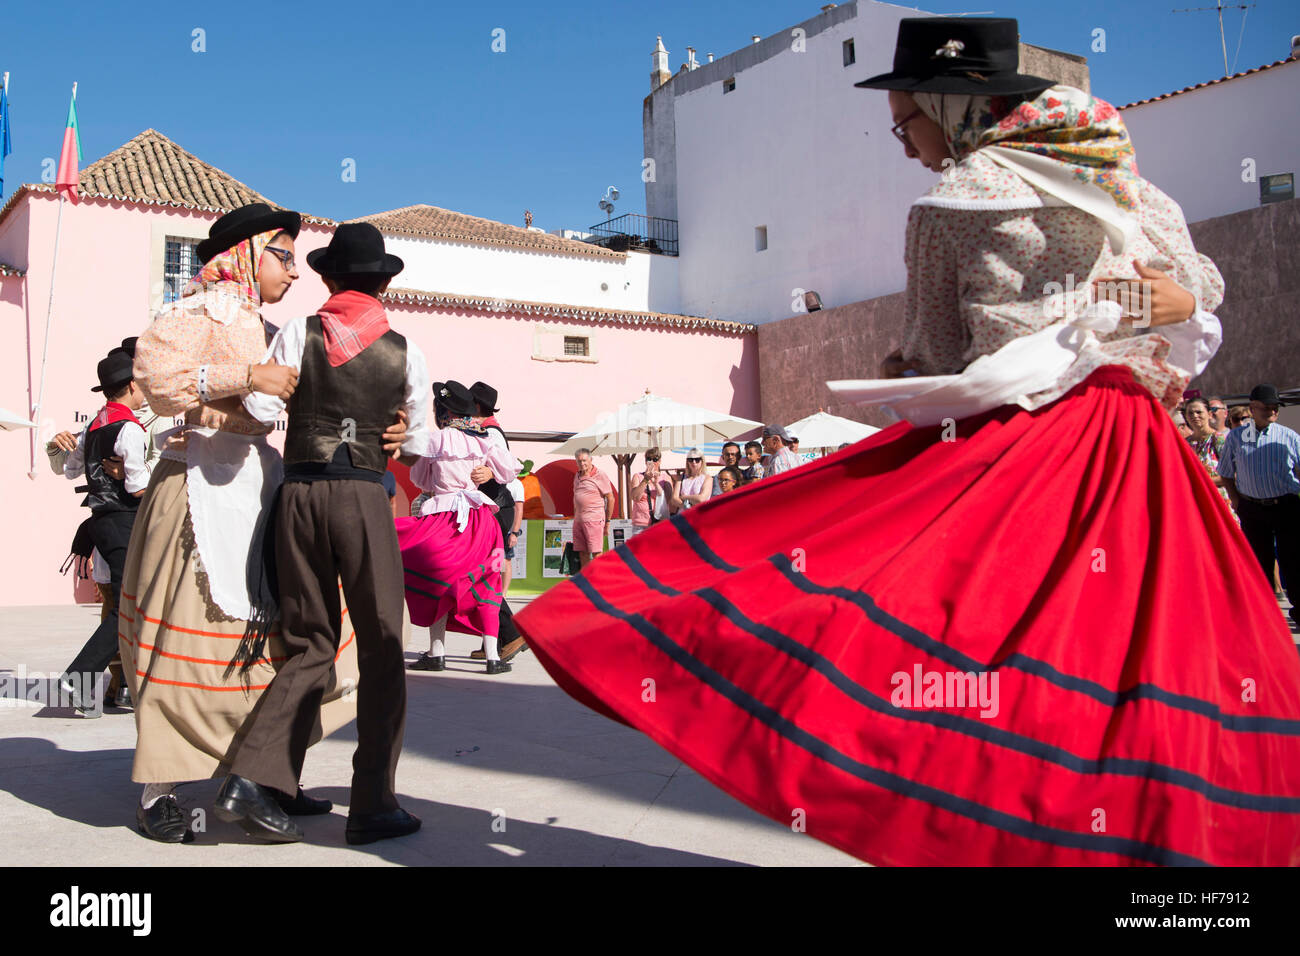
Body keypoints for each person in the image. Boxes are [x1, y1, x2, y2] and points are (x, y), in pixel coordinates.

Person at [515, 18, 1300, 866]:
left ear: (948, 109)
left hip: (1032, 444)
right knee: (1147, 665)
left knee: (914, 627)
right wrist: (1103, 322)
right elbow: (1192, 296)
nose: (903, 148)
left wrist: (905, 362)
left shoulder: (953, 203)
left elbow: (939, 359)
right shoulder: (1126, 186)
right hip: (1142, 451)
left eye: (905, 125)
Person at [120, 203, 407, 844]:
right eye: (282, 255)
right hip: (194, 486)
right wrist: (244, 374)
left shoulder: (270, 325)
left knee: (280, 640)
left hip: (262, 486)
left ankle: (266, 774)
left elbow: (322, 402)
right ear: (246, 253)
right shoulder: (190, 313)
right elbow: (155, 381)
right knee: (191, 639)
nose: (292, 271)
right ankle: (158, 790)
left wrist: (388, 425)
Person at [216, 222, 429, 845]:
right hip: (363, 495)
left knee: (309, 640)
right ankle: (372, 804)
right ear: (384, 284)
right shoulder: (404, 348)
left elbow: (260, 411)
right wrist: (391, 434)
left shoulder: (296, 333)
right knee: (384, 643)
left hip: (300, 493)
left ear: (330, 279)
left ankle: (256, 777)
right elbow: (415, 444)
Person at [51, 347, 149, 716]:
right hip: (124, 519)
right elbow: (139, 485)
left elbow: (70, 471)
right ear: (131, 386)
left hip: (100, 521)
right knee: (129, 607)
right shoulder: (129, 428)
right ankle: (82, 675)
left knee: (126, 604)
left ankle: (104, 680)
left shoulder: (94, 425)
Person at [400, 381, 519, 675]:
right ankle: (493, 656)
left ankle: (437, 652)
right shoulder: (485, 440)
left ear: (443, 411)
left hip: (442, 520)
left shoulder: (434, 440)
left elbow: (421, 480)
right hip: (481, 523)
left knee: (436, 582)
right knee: (487, 583)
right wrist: (488, 471)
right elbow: (509, 471)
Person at [1217, 384, 1300, 629]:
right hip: (1252, 508)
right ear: (1253, 408)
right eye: (1267, 408)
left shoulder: (1288, 436)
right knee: (1257, 562)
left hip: (1285, 505)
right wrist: (1237, 501)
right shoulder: (1237, 437)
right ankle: (1263, 616)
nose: (1273, 412)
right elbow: (1226, 473)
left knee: (1293, 560)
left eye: (1275, 408)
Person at [466, 381, 527, 663]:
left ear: (477, 406)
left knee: (484, 575)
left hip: (496, 507)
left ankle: (510, 633)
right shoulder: (489, 429)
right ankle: (493, 639)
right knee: (483, 573)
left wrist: (490, 474)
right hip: (496, 506)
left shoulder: (491, 433)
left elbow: (505, 471)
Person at [1183, 397, 1230, 509]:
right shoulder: (1185, 443)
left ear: (1209, 414)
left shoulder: (1218, 439)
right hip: (1194, 502)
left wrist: (1203, 481)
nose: (1194, 416)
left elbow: (1231, 475)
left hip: (1218, 500)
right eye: (1190, 413)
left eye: (1199, 412)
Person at [572, 449, 615, 569]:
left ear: (591, 460)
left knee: (596, 553)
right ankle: (586, 580)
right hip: (579, 520)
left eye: (584, 460)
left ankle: (598, 581)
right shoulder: (577, 475)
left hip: (594, 520)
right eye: (579, 461)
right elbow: (575, 496)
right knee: (582, 552)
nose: (582, 463)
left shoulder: (600, 474)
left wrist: (607, 521)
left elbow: (611, 499)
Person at [630, 448, 672, 528]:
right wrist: (645, 480)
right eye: (649, 459)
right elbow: (635, 497)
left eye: (655, 459)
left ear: (659, 461)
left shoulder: (665, 477)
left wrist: (655, 483)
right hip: (641, 523)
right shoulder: (638, 476)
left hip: (660, 522)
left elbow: (668, 499)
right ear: (645, 461)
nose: (652, 462)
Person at [671, 448, 711, 513]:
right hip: (683, 517)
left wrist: (683, 497)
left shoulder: (707, 478)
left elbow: (701, 499)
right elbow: (674, 499)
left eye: (697, 459)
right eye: (691, 459)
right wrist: (687, 507)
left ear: (702, 461)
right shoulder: (681, 478)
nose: (694, 462)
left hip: (700, 515)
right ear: (687, 461)